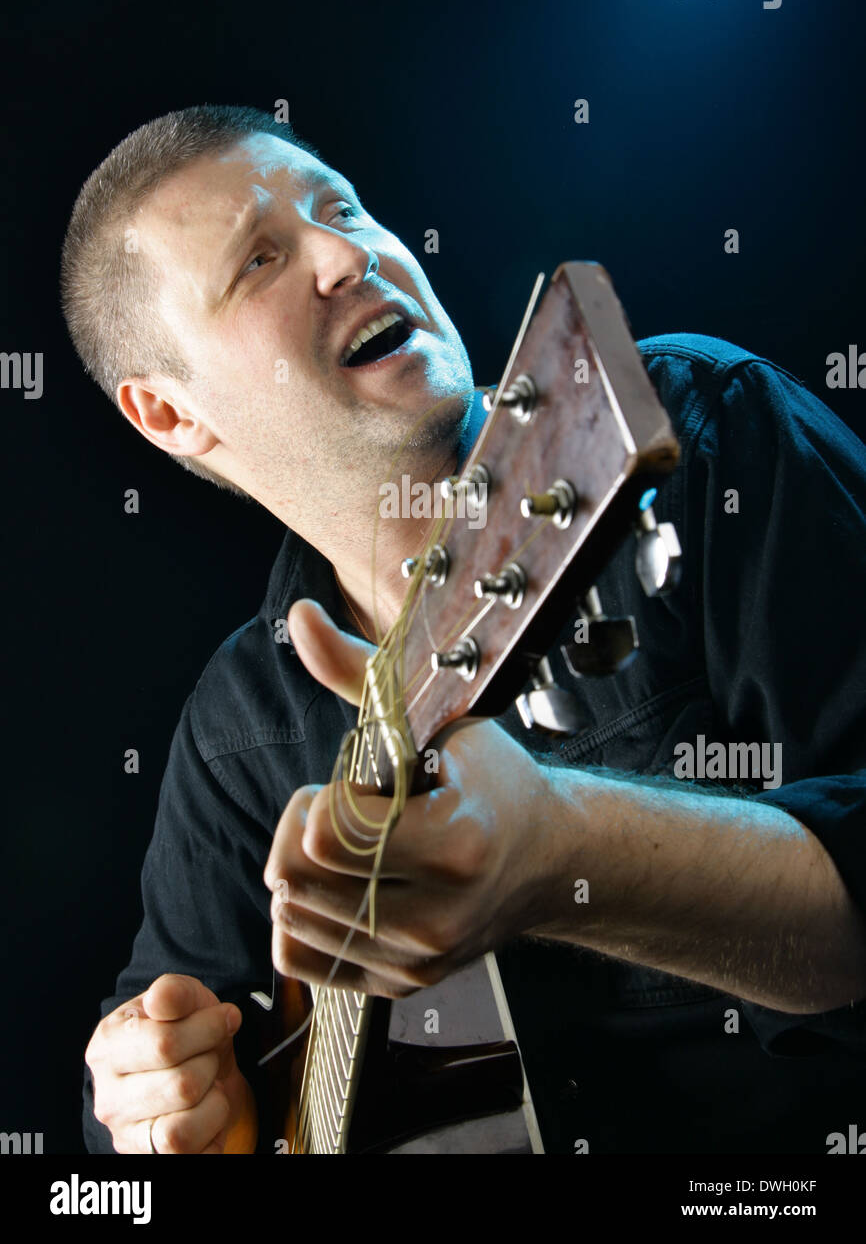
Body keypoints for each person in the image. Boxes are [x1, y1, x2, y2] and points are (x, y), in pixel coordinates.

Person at [62, 105, 866, 1156]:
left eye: (340, 207)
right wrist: (156, 1093)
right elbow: (152, 1051)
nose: (350, 253)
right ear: (171, 414)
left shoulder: (695, 433)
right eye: (259, 258)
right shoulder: (237, 728)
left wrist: (566, 848)